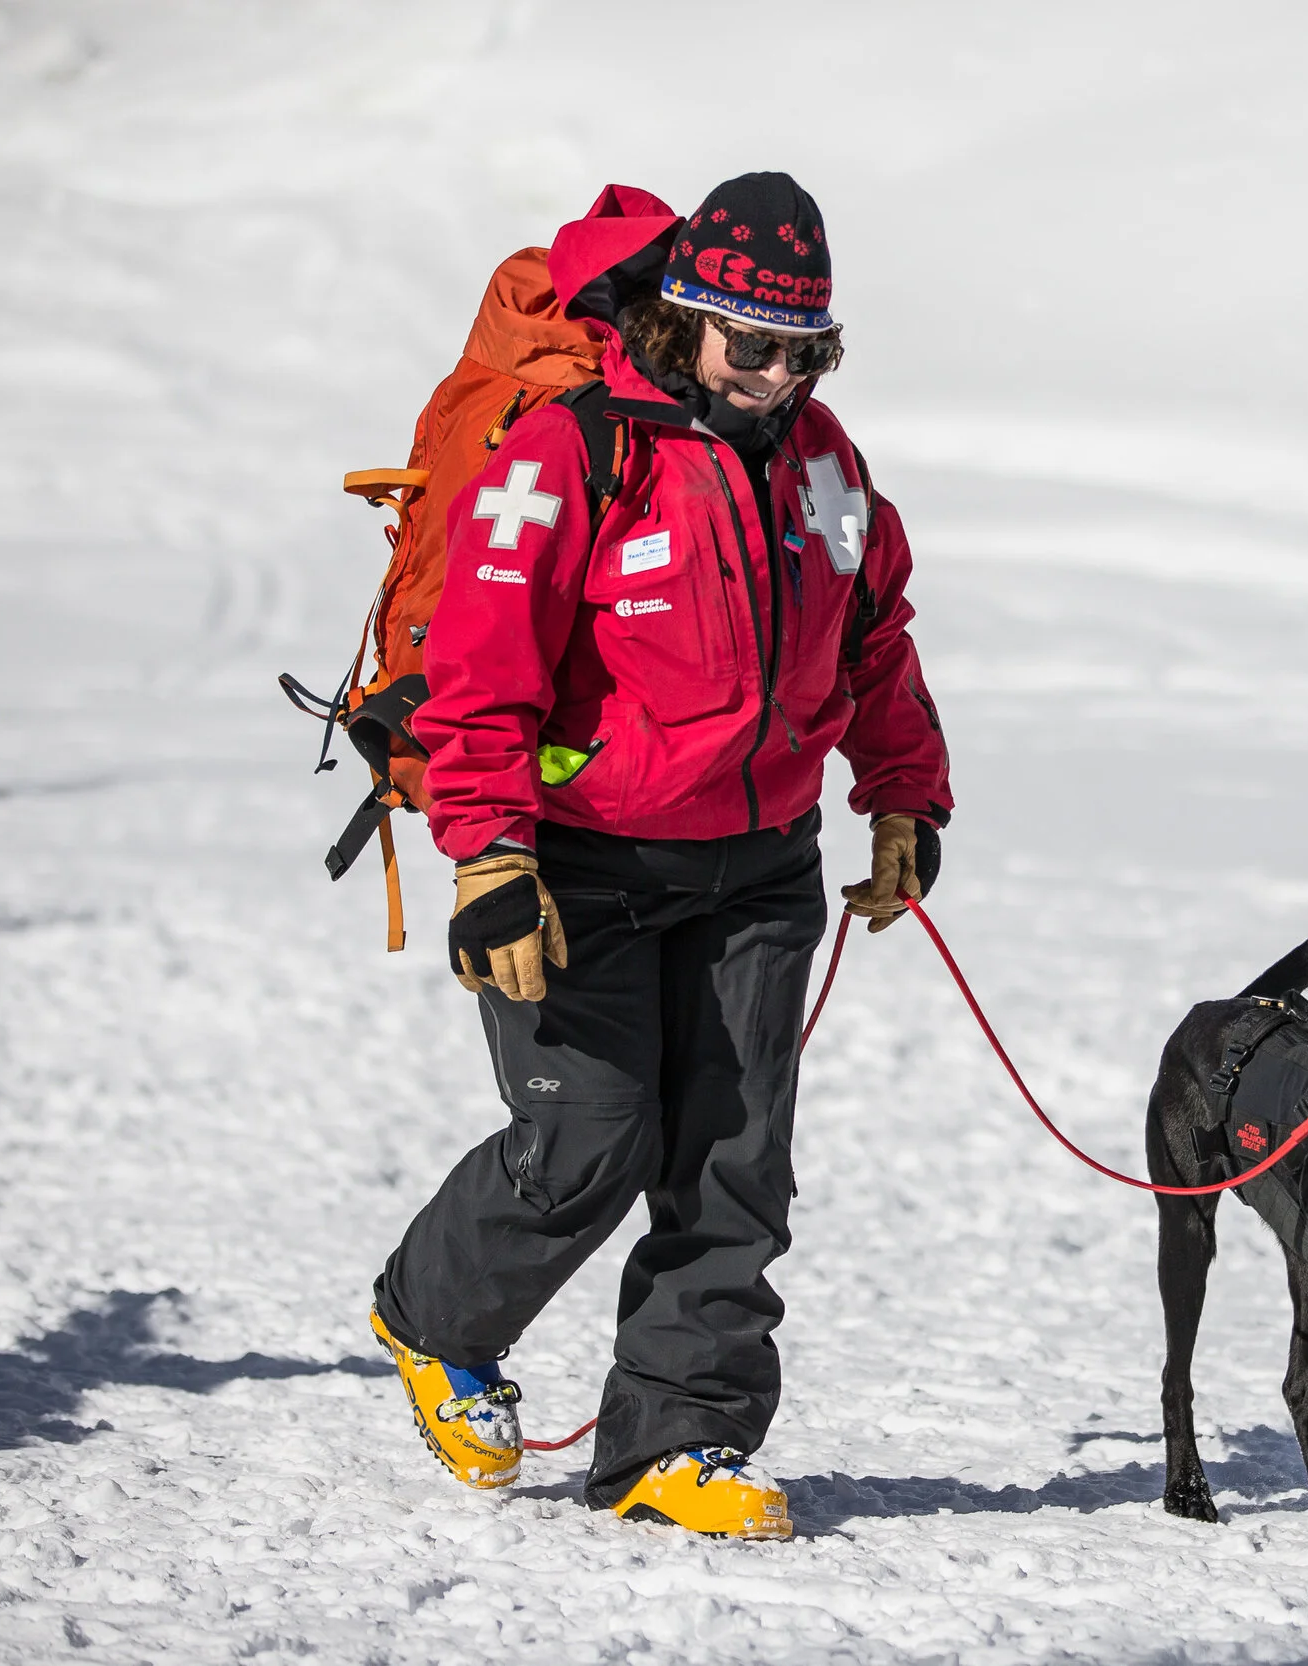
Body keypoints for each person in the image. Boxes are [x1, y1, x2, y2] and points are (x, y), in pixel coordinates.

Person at [366, 174, 952, 1540]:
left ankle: (673, 1442)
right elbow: (482, 664)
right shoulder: (573, 453)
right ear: (684, 318)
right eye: (750, 344)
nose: (774, 375)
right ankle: (433, 1318)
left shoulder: (822, 459)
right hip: (581, 863)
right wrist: (489, 851)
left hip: (759, 864)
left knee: (737, 1160)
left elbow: (873, 637)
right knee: (590, 1134)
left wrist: (904, 798)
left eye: (804, 350)